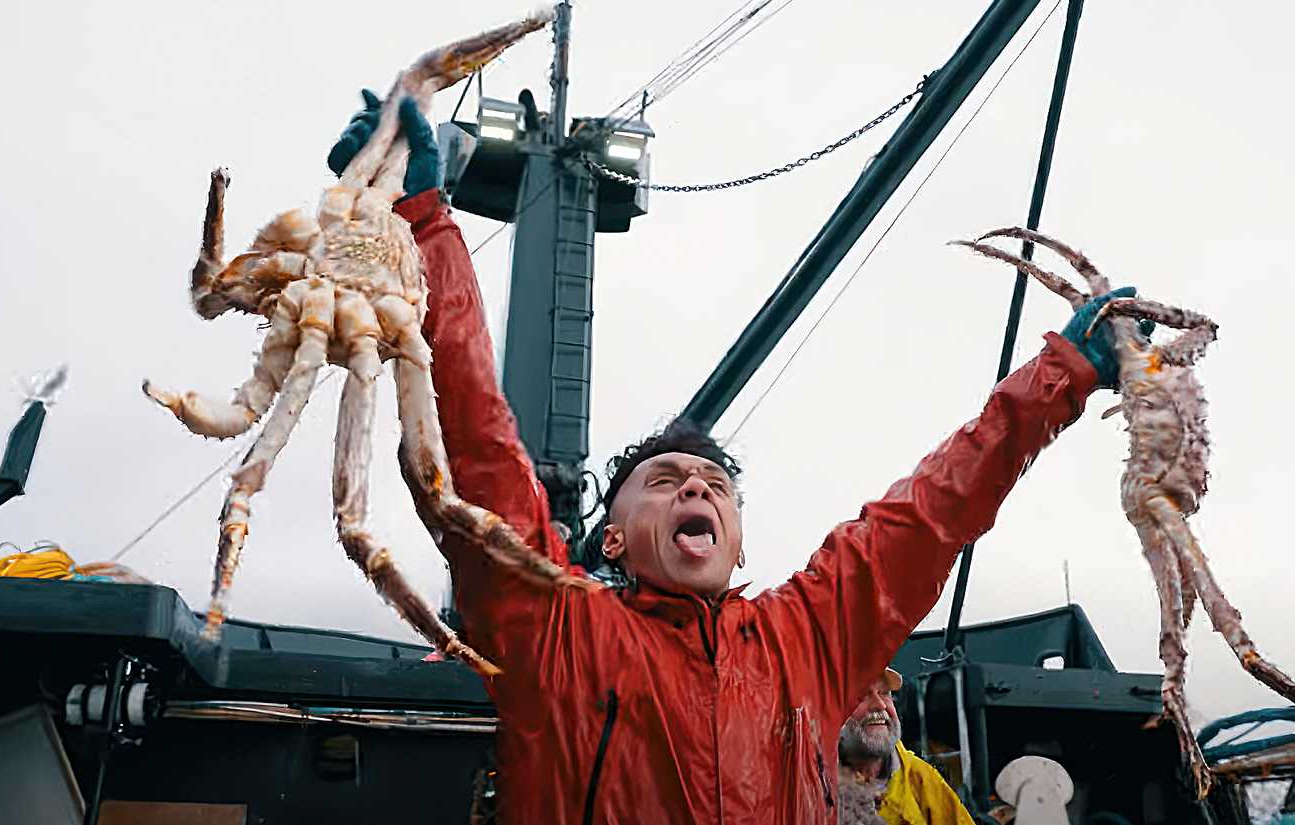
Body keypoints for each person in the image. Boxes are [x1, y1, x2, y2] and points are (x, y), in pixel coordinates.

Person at [328, 92, 1133, 824]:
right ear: (611, 538)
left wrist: (1059, 376)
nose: (696, 489)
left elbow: (932, 511)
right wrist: (423, 221)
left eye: (715, 484)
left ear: (737, 539)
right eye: (667, 481)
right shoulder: (559, 625)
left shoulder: (809, 636)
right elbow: (475, 441)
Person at [838, 669, 973, 825]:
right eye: (862, 696)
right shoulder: (812, 776)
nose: (880, 705)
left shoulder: (919, 776)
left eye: (885, 693)